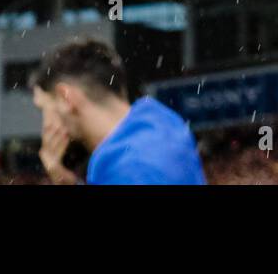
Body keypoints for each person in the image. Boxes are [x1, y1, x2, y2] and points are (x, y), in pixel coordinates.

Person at [29, 37, 206, 185]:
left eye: (43, 109)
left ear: (65, 98)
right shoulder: (161, 121)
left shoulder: (129, 168)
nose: (44, 125)